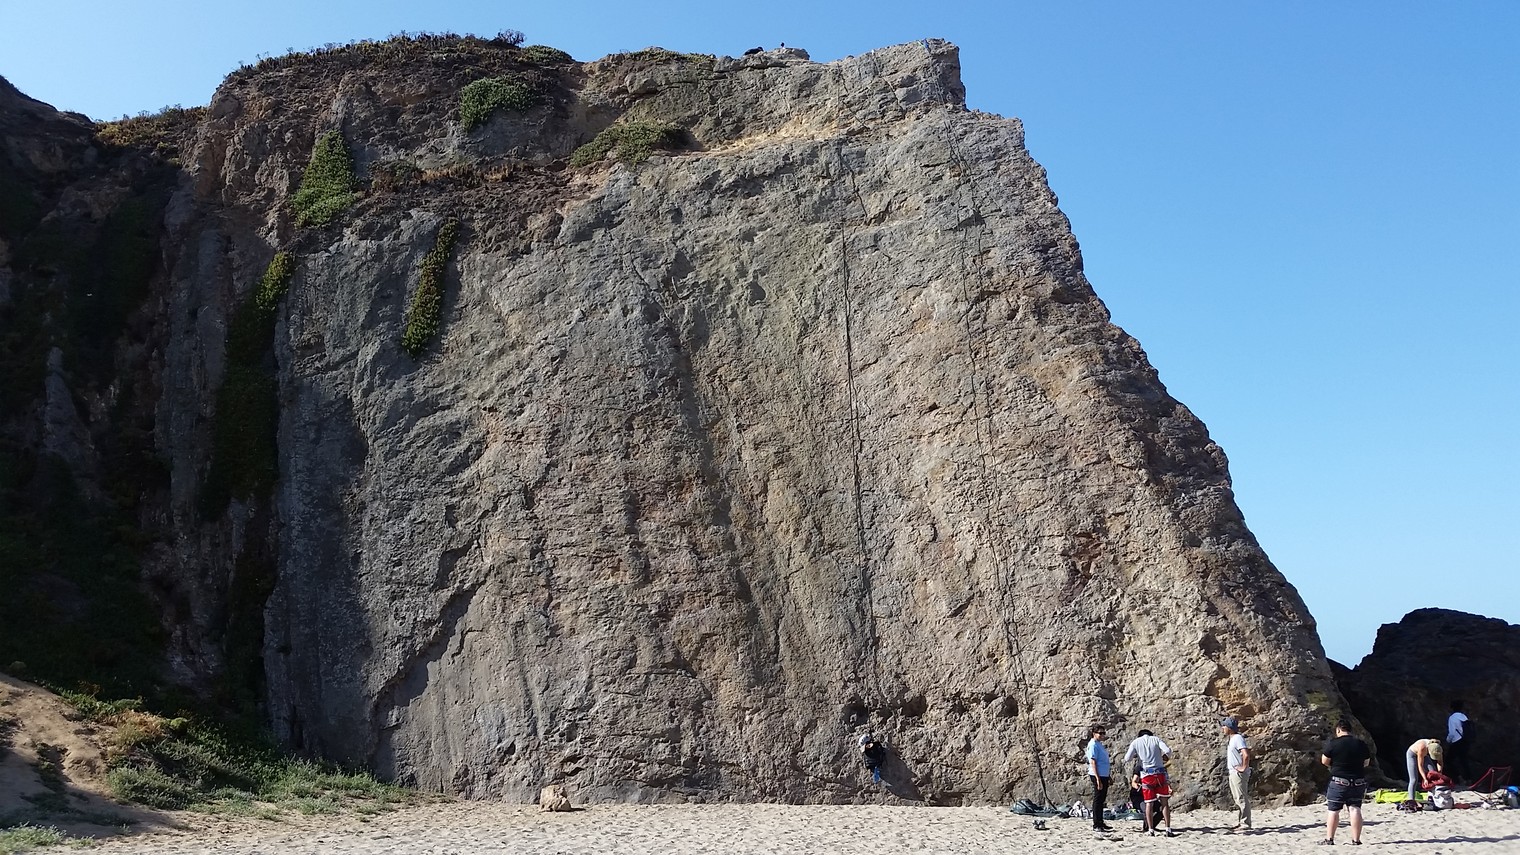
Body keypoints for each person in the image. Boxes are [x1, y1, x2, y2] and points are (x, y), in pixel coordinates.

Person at [1321, 720, 1372, 845]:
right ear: (1350, 730)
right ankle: (1356, 840)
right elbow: (1366, 762)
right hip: (1358, 781)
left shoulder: (1333, 743)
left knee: (1334, 810)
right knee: (1355, 809)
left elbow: (1324, 761)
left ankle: (1330, 839)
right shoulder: (1360, 744)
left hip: (1339, 781)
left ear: (1338, 730)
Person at [1122, 729, 1177, 837]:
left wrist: (1138, 754)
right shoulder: (1156, 739)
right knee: (1164, 803)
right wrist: (1164, 758)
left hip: (1147, 775)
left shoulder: (1136, 742)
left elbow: (1127, 758)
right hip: (1160, 773)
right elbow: (1168, 750)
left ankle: (1151, 830)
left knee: (1149, 803)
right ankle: (1168, 829)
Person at [1221, 717, 1252, 832]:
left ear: (1230, 728)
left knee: (1241, 797)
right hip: (1233, 772)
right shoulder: (1233, 739)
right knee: (1237, 798)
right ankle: (1241, 822)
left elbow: (1246, 754)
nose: (1222, 728)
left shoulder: (1238, 738)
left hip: (1238, 773)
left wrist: (1243, 767)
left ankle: (1245, 823)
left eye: (1224, 726)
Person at [1084, 725, 1115, 833]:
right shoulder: (1093, 745)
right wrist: (1098, 779)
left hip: (1103, 774)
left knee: (1101, 800)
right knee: (1098, 799)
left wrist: (1108, 776)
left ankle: (1101, 822)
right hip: (1097, 774)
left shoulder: (1099, 744)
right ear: (1094, 733)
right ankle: (1096, 824)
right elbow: (1093, 762)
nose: (1102, 735)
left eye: (1103, 733)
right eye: (1100, 733)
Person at [1446, 701, 1471, 784]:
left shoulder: (1452, 718)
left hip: (1457, 741)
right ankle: (1469, 779)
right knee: (1464, 761)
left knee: (1448, 761)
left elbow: (1452, 733)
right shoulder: (1464, 717)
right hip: (1466, 741)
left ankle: (1459, 778)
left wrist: (1448, 740)